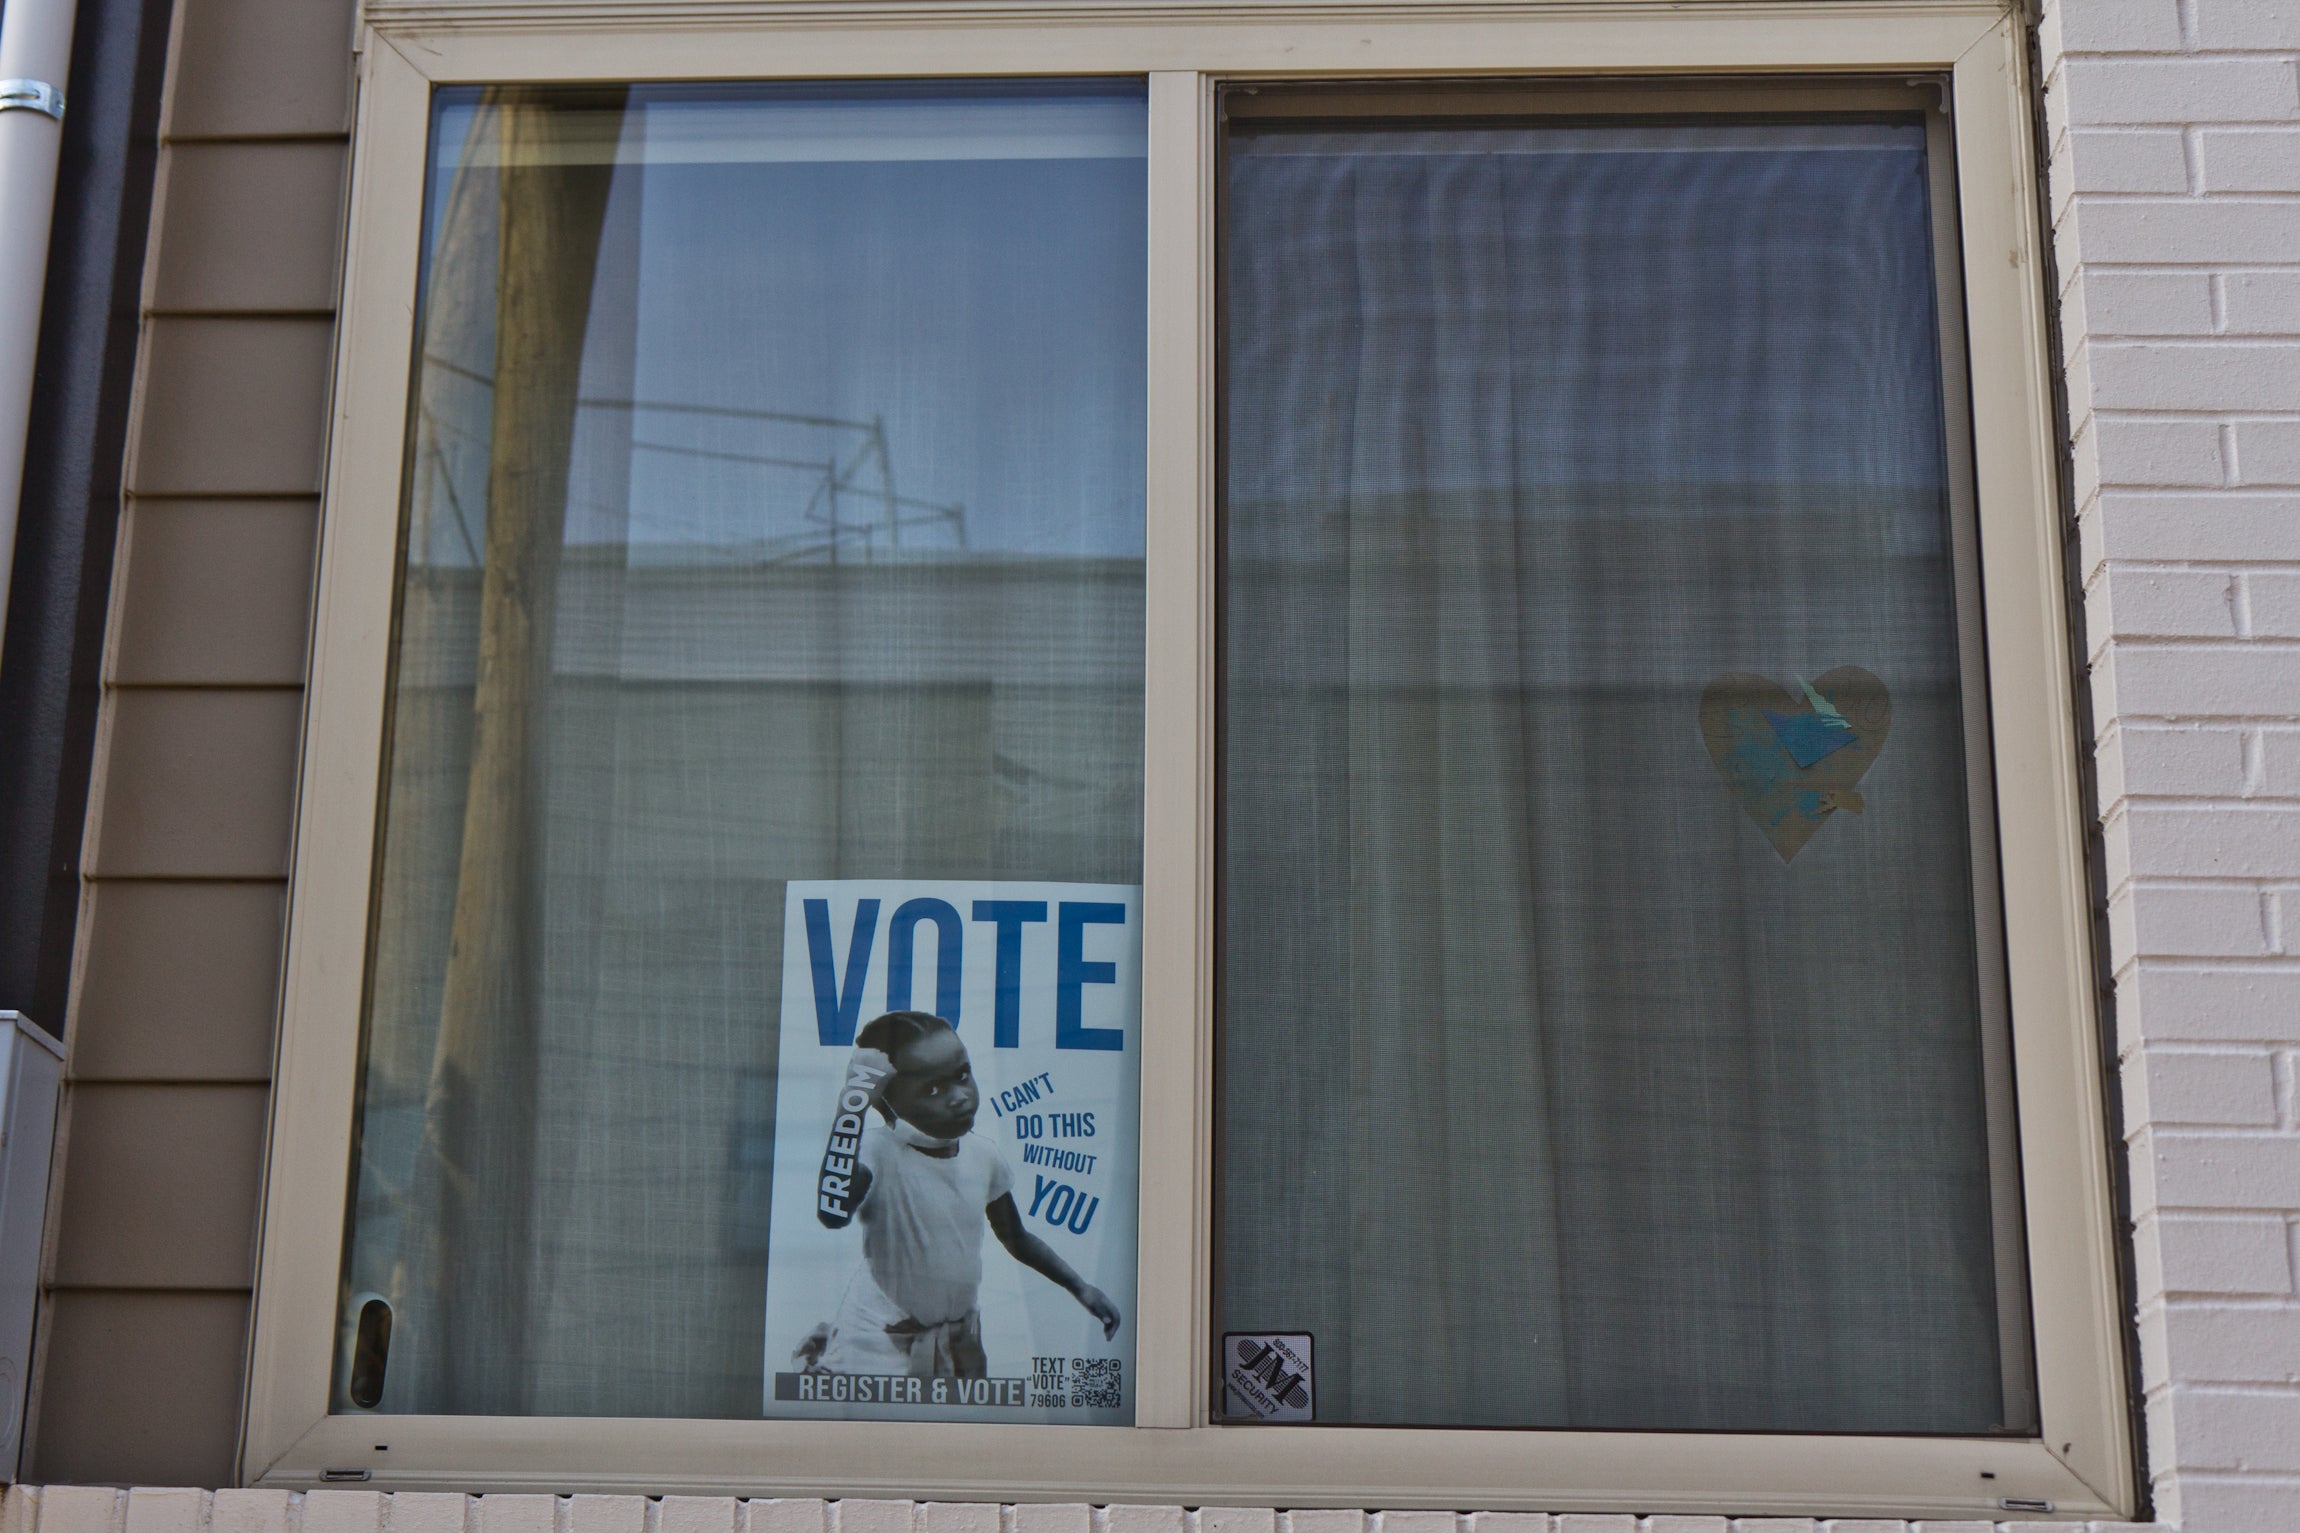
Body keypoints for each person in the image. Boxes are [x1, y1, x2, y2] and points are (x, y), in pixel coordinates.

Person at [803, 1009, 1120, 1379]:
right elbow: (832, 1211)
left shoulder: (983, 1155)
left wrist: (1081, 1288)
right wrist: (852, 1104)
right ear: (886, 1102)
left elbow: (1016, 1238)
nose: (958, 1097)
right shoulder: (878, 1152)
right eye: (933, 1089)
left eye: (962, 1075)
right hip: (875, 1345)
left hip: (957, 1343)